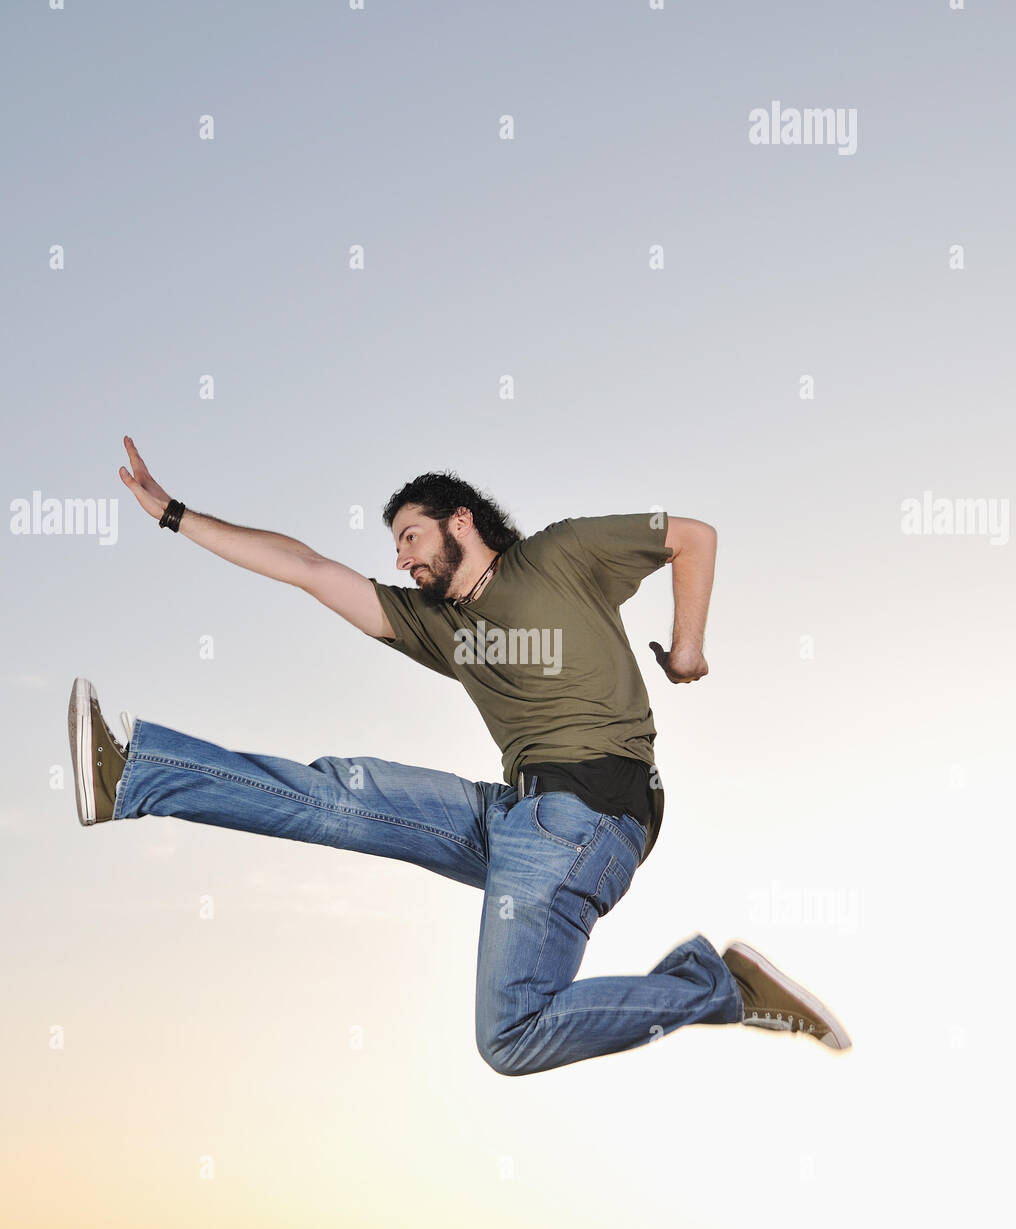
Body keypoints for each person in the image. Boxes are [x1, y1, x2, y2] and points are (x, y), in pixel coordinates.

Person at [68, 435, 851, 1076]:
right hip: (513, 817)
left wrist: (685, 651)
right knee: (336, 796)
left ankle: (719, 989)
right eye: (396, 548)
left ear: (462, 521)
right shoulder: (435, 624)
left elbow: (691, 537)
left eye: (411, 537)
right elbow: (305, 567)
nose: (402, 560)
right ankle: (132, 773)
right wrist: (173, 514)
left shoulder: (560, 555)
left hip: (592, 815)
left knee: (511, 1035)